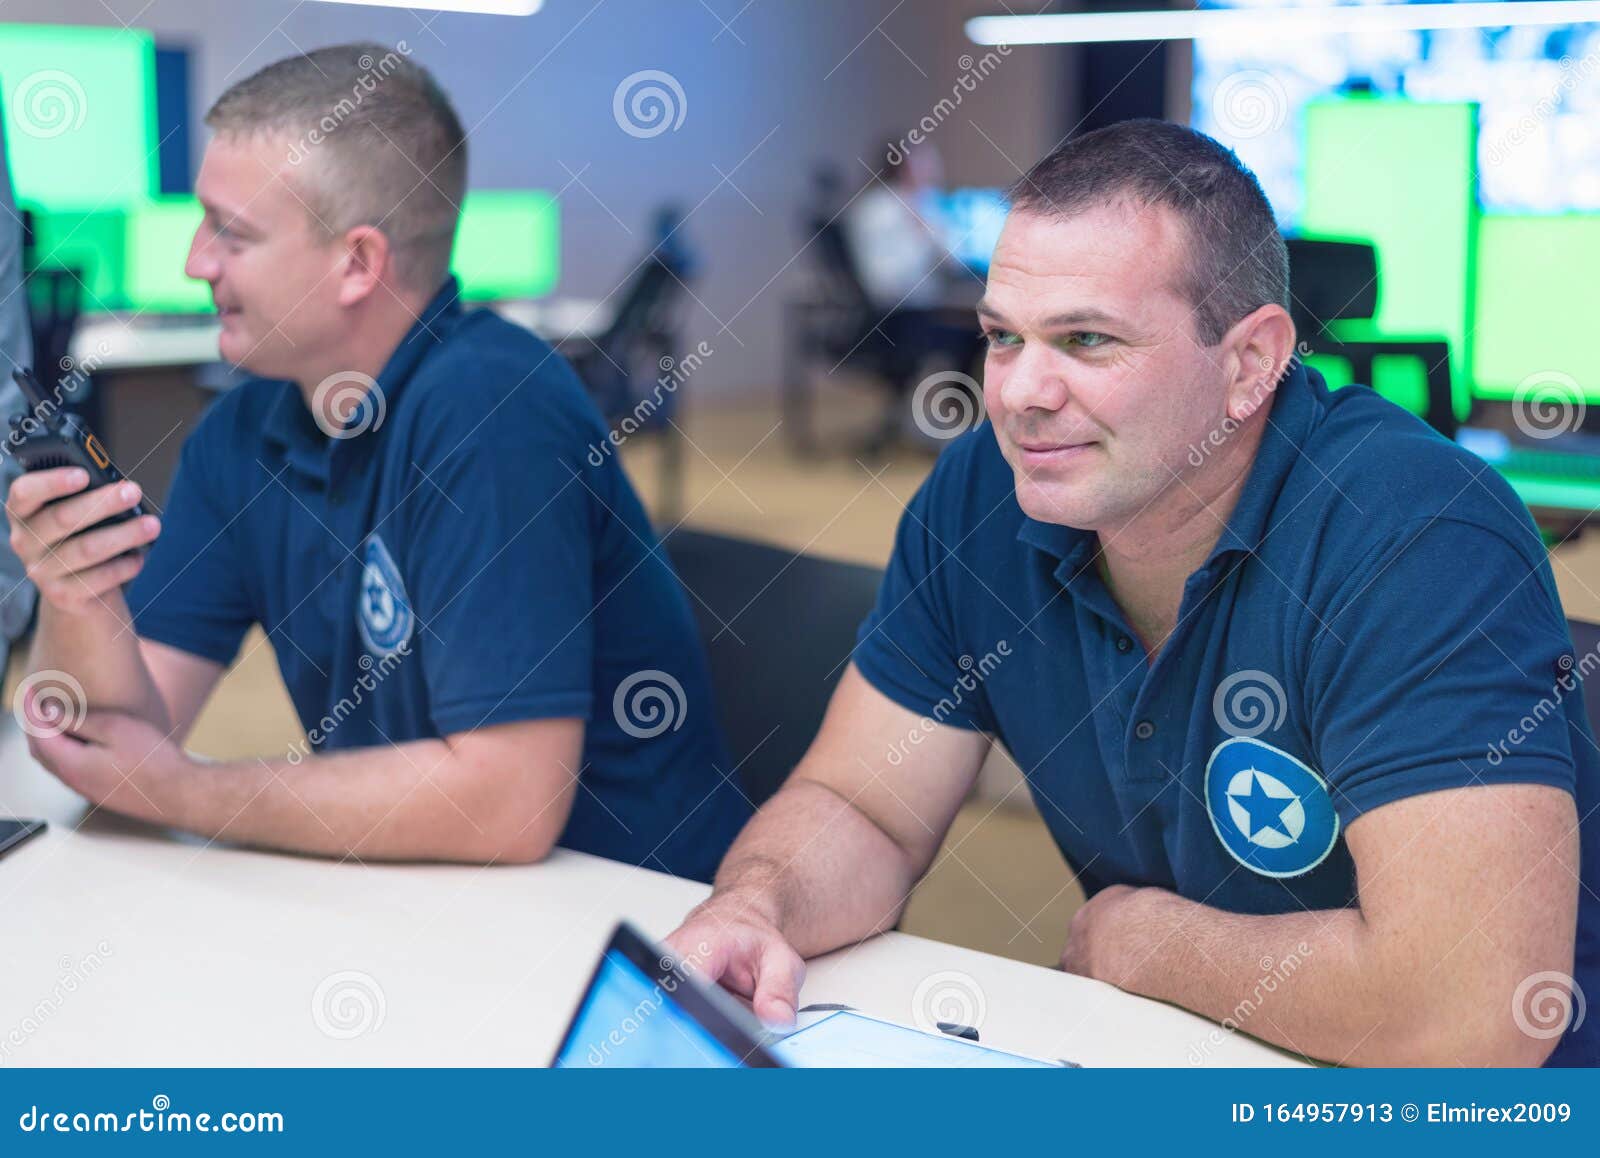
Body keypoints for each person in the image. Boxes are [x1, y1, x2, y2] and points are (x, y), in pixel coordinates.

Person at [667, 119, 1597, 1066]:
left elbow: (1464, 1018)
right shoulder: (983, 493)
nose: (1021, 393)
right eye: (1002, 337)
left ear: (1247, 364)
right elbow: (866, 807)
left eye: (1086, 340)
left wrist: (1144, 943)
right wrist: (757, 904)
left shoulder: (1418, 534)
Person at [3, 43, 749, 880]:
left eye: (232, 233)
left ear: (358, 263)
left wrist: (186, 794)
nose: (194, 263)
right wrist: (78, 593)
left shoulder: (494, 409)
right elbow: (117, 748)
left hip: (630, 919)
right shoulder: (245, 428)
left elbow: (507, 805)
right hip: (426, 897)